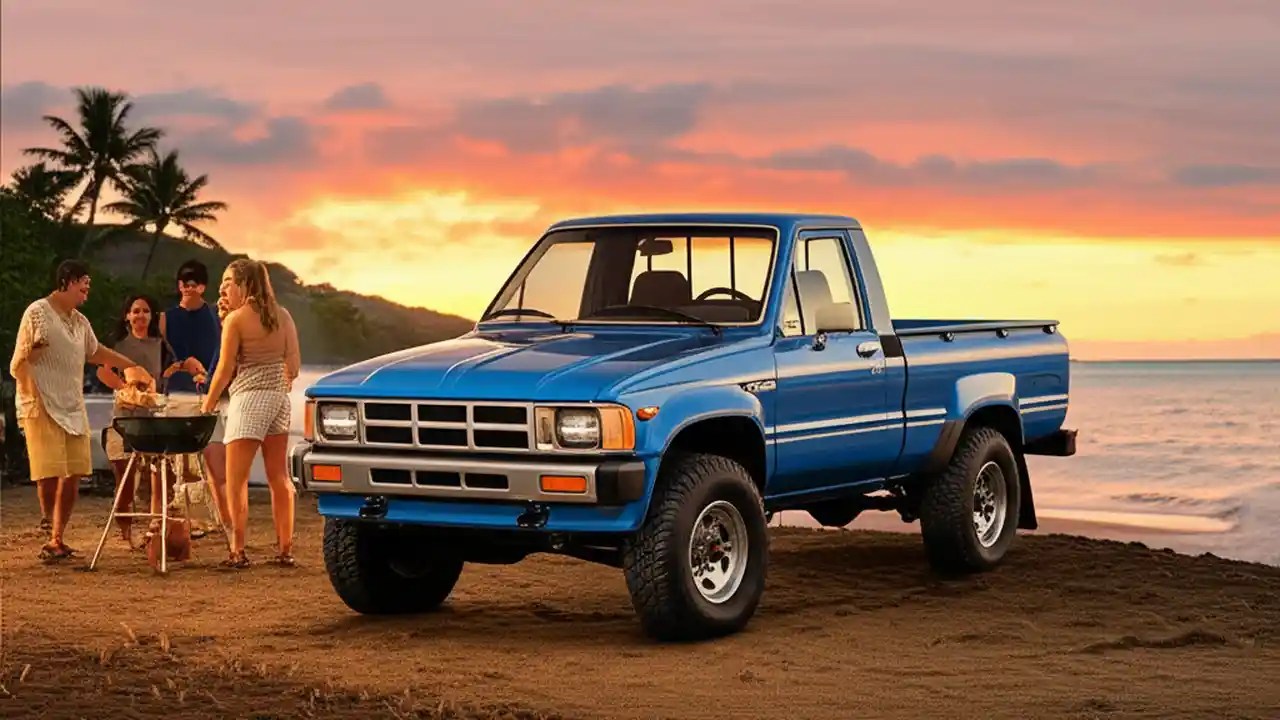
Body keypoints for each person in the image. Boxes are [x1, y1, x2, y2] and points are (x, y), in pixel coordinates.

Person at [9, 260, 155, 562]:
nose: (87, 290)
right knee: (49, 470)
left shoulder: (79, 321)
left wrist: (130, 365)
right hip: (42, 400)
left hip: (72, 403)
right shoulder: (38, 312)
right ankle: (48, 525)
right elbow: (21, 360)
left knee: (75, 470)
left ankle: (57, 537)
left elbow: (95, 351)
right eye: (83, 284)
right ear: (67, 281)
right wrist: (31, 380)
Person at [201, 259, 301, 569]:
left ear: (245, 285)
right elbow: (294, 367)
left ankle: (238, 551)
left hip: (249, 401)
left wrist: (207, 404)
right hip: (279, 401)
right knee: (279, 477)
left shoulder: (237, 319)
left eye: (228, 282)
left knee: (236, 480)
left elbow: (225, 368)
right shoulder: (283, 316)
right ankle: (285, 550)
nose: (223, 288)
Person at [94, 293, 173, 548]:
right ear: (127, 315)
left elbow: (167, 373)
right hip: (124, 418)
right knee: (125, 479)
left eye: (145, 311)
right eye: (136, 311)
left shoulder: (160, 345)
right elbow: (102, 371)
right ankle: (126, 533)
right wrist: (124, 387)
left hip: (152, 419)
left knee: (160, 477)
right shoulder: (119, 344)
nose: (140, 315)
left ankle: (156, 529)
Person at [160, 259, 232, 535]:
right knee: (182, 465)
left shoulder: (216, 315)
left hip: (212, 395)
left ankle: (224, 519)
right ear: (179, 285)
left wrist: (211, 377)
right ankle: (189, 521)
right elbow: (161, 360)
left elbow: (226, 353)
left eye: (194, 283)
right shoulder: (166, 318)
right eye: (184, 283)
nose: (189, 288)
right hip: (178, 394)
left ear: (203, 287)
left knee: (216, 463)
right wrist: (182, 365)